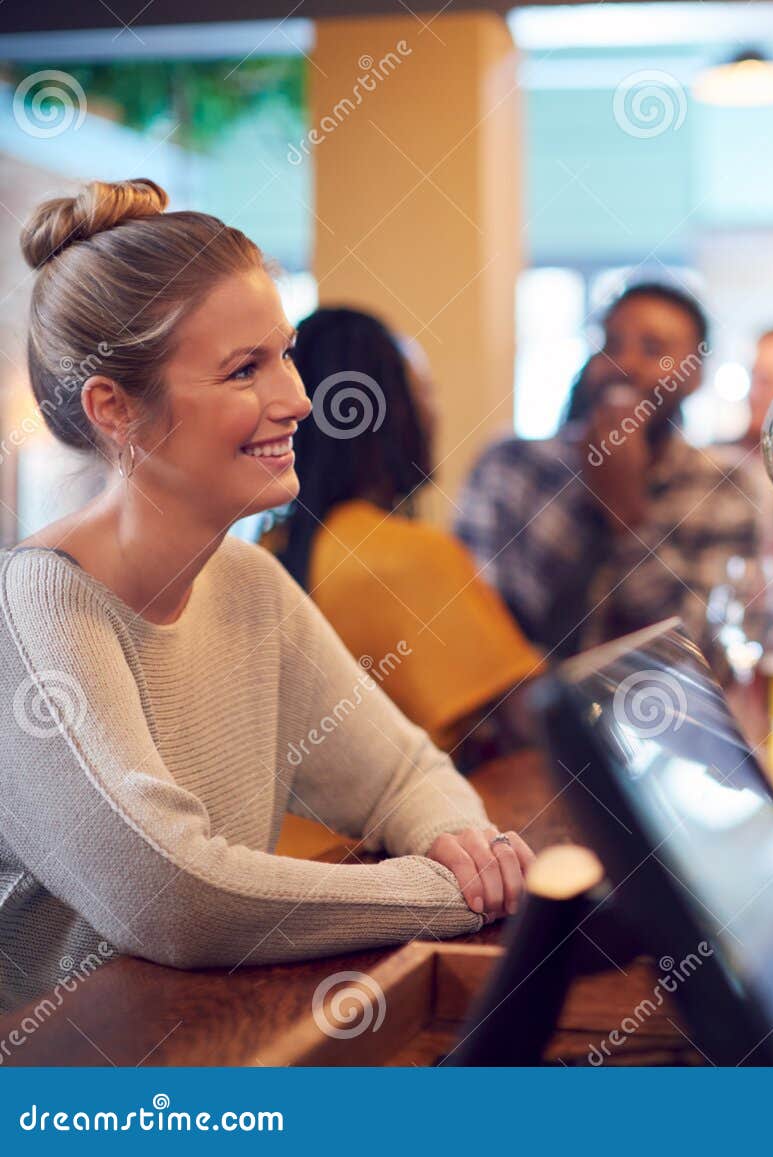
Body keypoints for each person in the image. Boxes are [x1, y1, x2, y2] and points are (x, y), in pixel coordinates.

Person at [0, 179, 534, 1013]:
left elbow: (402, 773)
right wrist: (453, 891)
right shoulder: (35, 612)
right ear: (115, 411)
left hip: (206, 1044)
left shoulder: (245, 581)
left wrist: (457, 843)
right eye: (244, 369)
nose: (297, 398)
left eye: (284, 353)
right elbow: (172, 895)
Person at [271, 307, 543, 769]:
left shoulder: (265, 553)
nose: (435, 410)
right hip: (378, 840)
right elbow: (535, 719)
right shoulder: (415, 558)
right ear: (394, 412)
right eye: (425, 391)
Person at [456, 283, 759, 657]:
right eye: (611, 346)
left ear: (695, 376)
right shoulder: (514, 466)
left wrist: (627, 518)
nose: (624, 365)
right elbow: (474, 624)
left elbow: (706, 654)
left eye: (653, 350)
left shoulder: (723, 485)